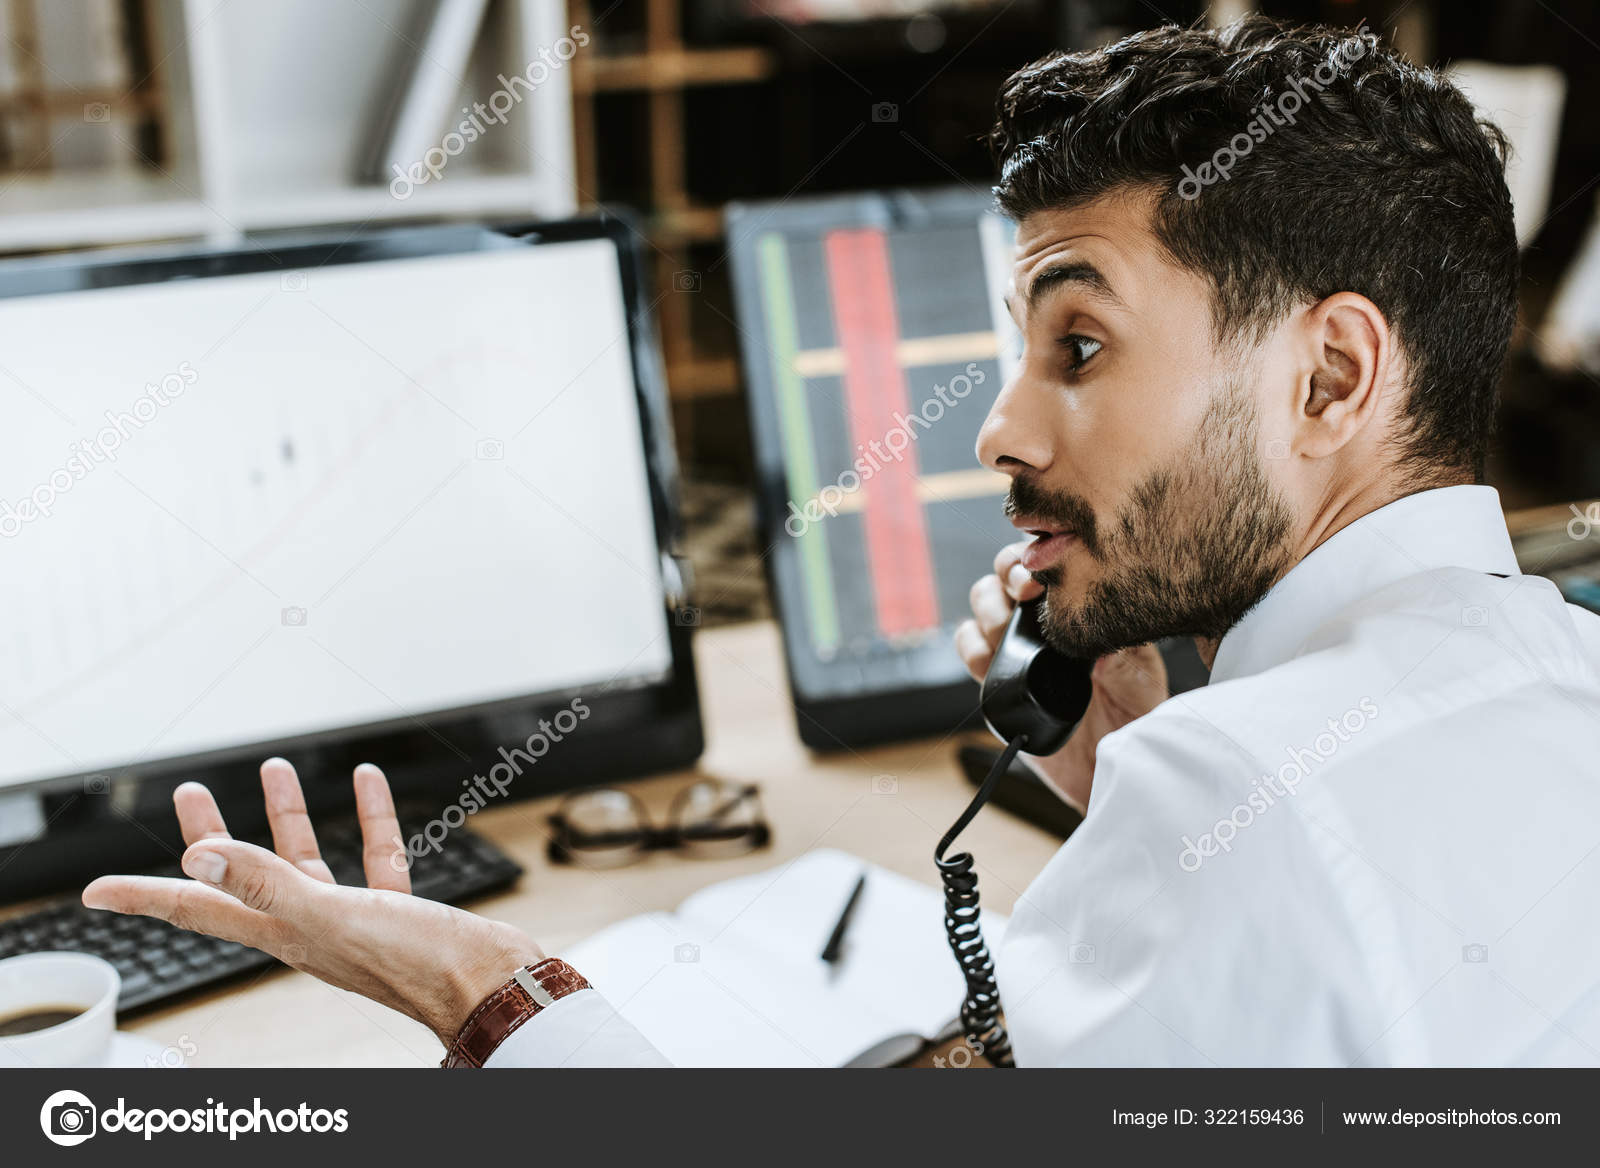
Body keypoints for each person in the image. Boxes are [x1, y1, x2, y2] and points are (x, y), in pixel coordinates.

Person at [84, 16, 1600, 1066]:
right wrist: (1128, 819)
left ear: (1330, 376)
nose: (999, 430)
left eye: (1080, 346)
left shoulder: (1242, 789)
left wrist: (478, 983)